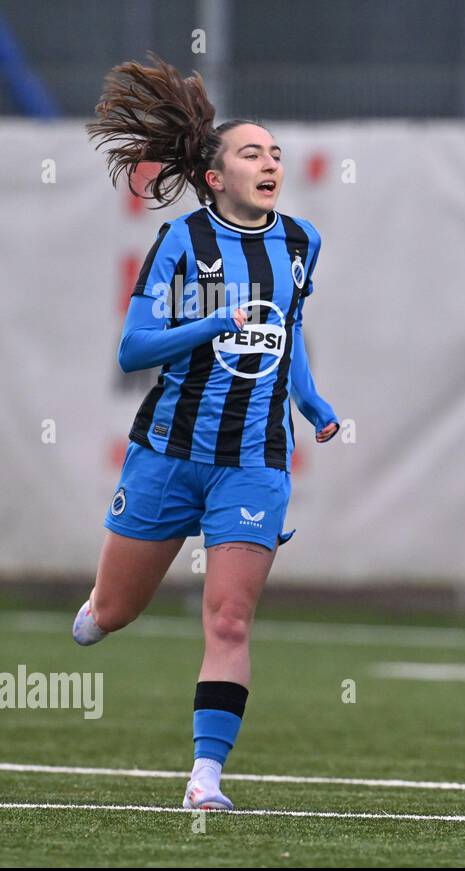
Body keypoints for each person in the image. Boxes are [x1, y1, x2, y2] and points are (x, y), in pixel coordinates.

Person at [76, 55, 340, 808]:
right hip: (169, 452)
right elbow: (133, 349)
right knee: (114, 613)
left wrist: (313, 403)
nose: (271, 162)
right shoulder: (181, 243)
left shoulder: (301, 243)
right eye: (252, 152)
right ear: (216, 176)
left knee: (228, 614)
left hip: (254, 462)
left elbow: (284, 339)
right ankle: (97, 609)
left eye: (277, 153)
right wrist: (209, 321)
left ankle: (205, 777)